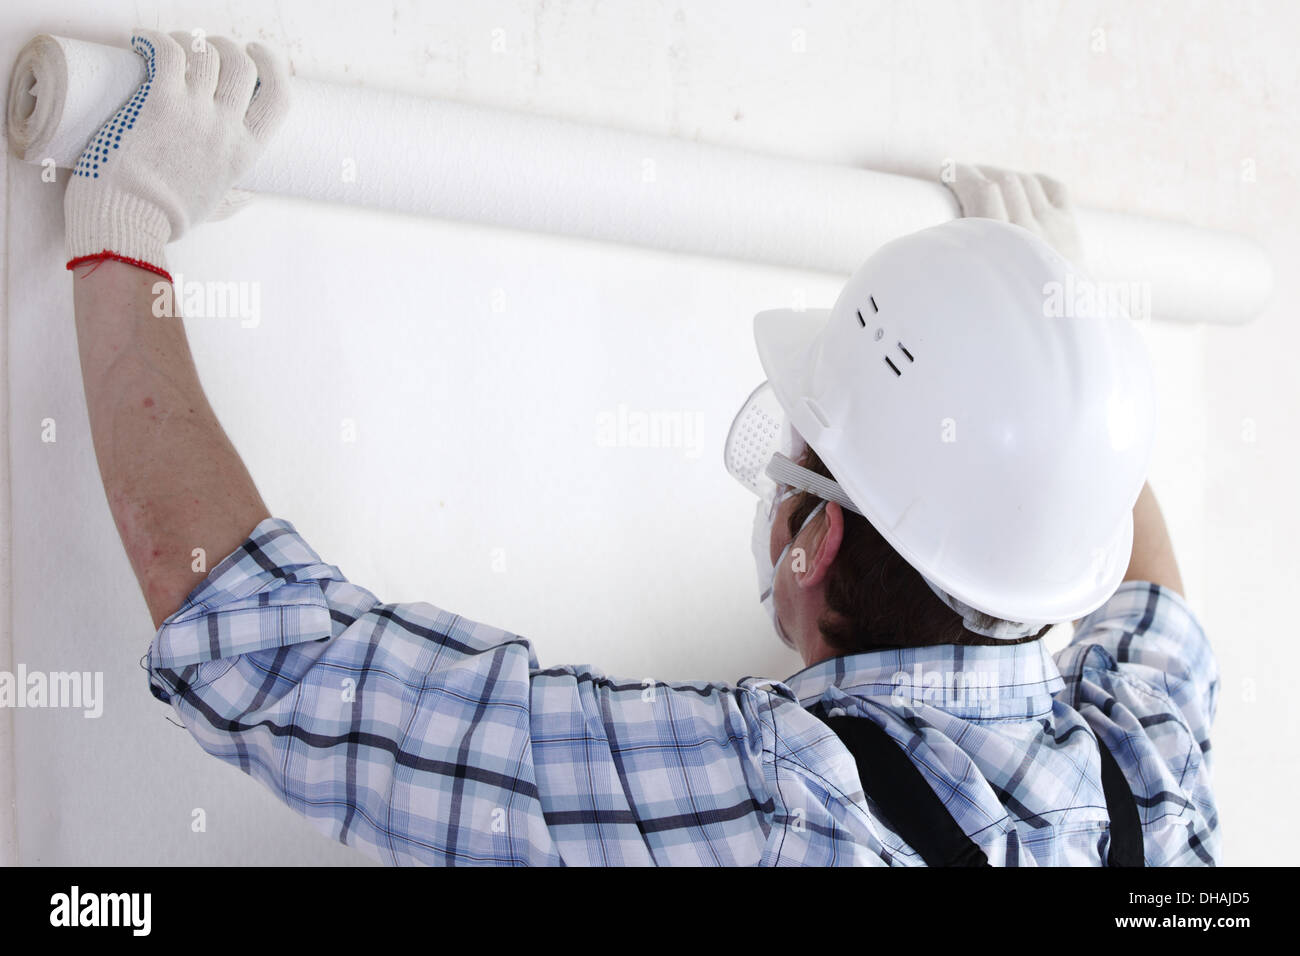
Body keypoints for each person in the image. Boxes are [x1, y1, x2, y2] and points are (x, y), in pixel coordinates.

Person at [68, 30, 1218, 866]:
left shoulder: (780, 806)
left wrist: (128, 223)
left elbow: (272, 656)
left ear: (810, 534)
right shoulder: (1147, 783)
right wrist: (1046, 314)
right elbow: (1149, 600)